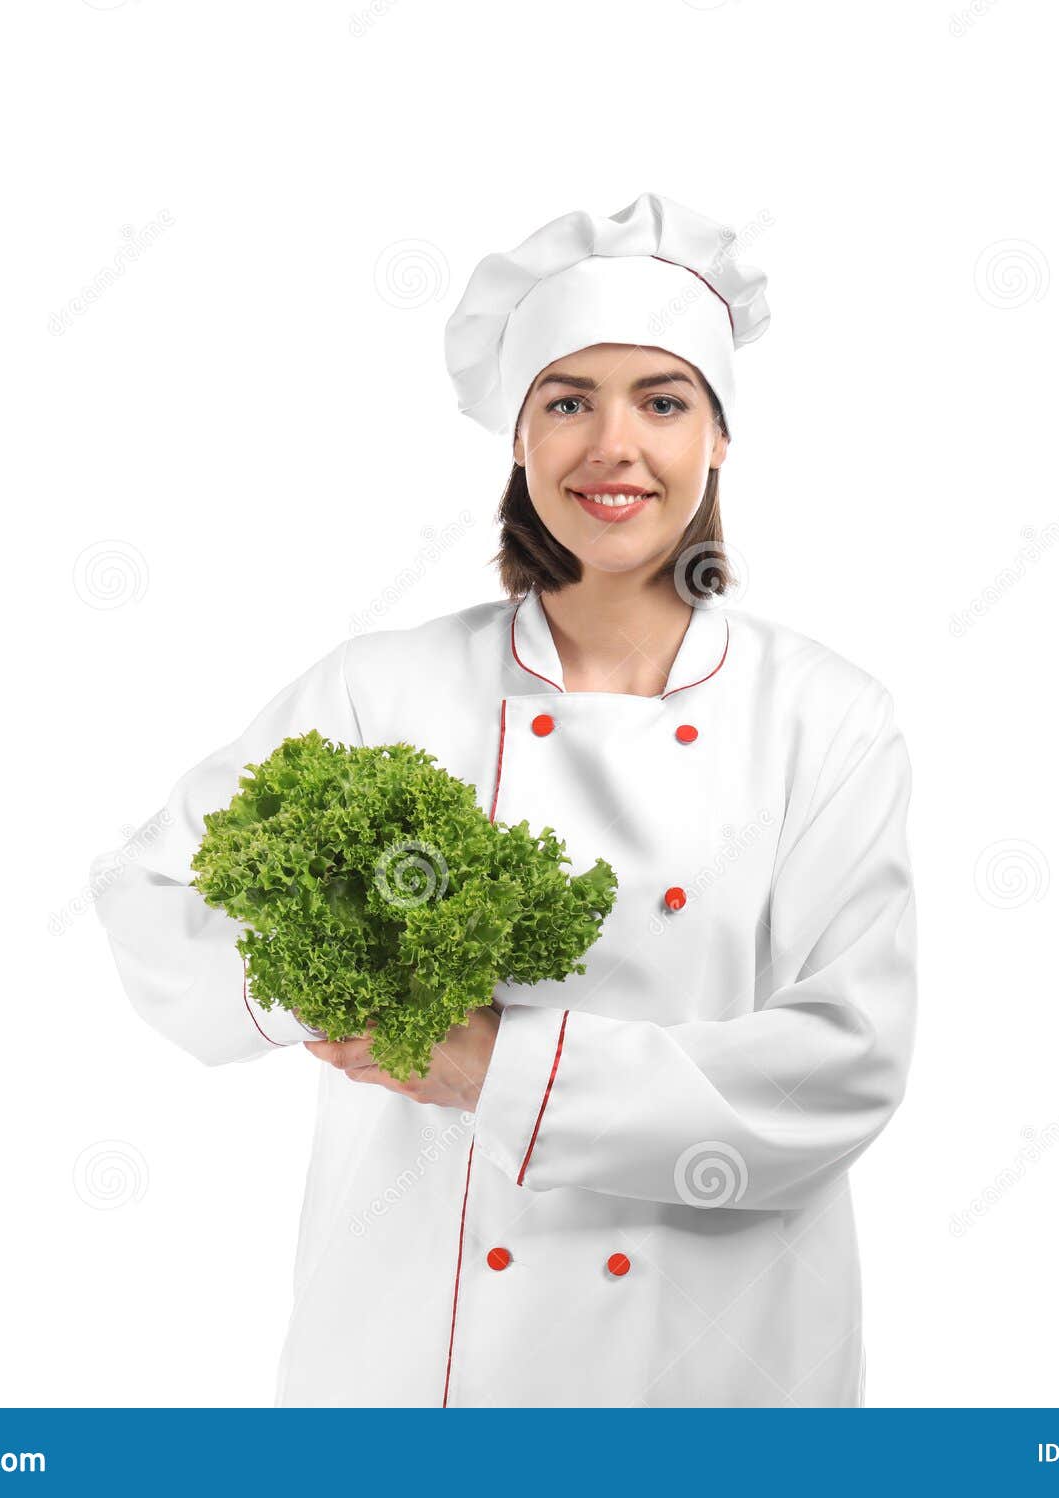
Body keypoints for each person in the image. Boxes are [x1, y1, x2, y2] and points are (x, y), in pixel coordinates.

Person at [91, 191, 919, 1407]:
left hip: (715, 1366)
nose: (612, 446)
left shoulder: (824, 716)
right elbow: (149, 893)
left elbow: (843, 1064)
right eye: (568, 401)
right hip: (411, 1354)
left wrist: (495, 1067)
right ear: (520, 437)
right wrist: (315, 974)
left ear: (721, 437)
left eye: (663, 400)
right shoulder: (382, 686)